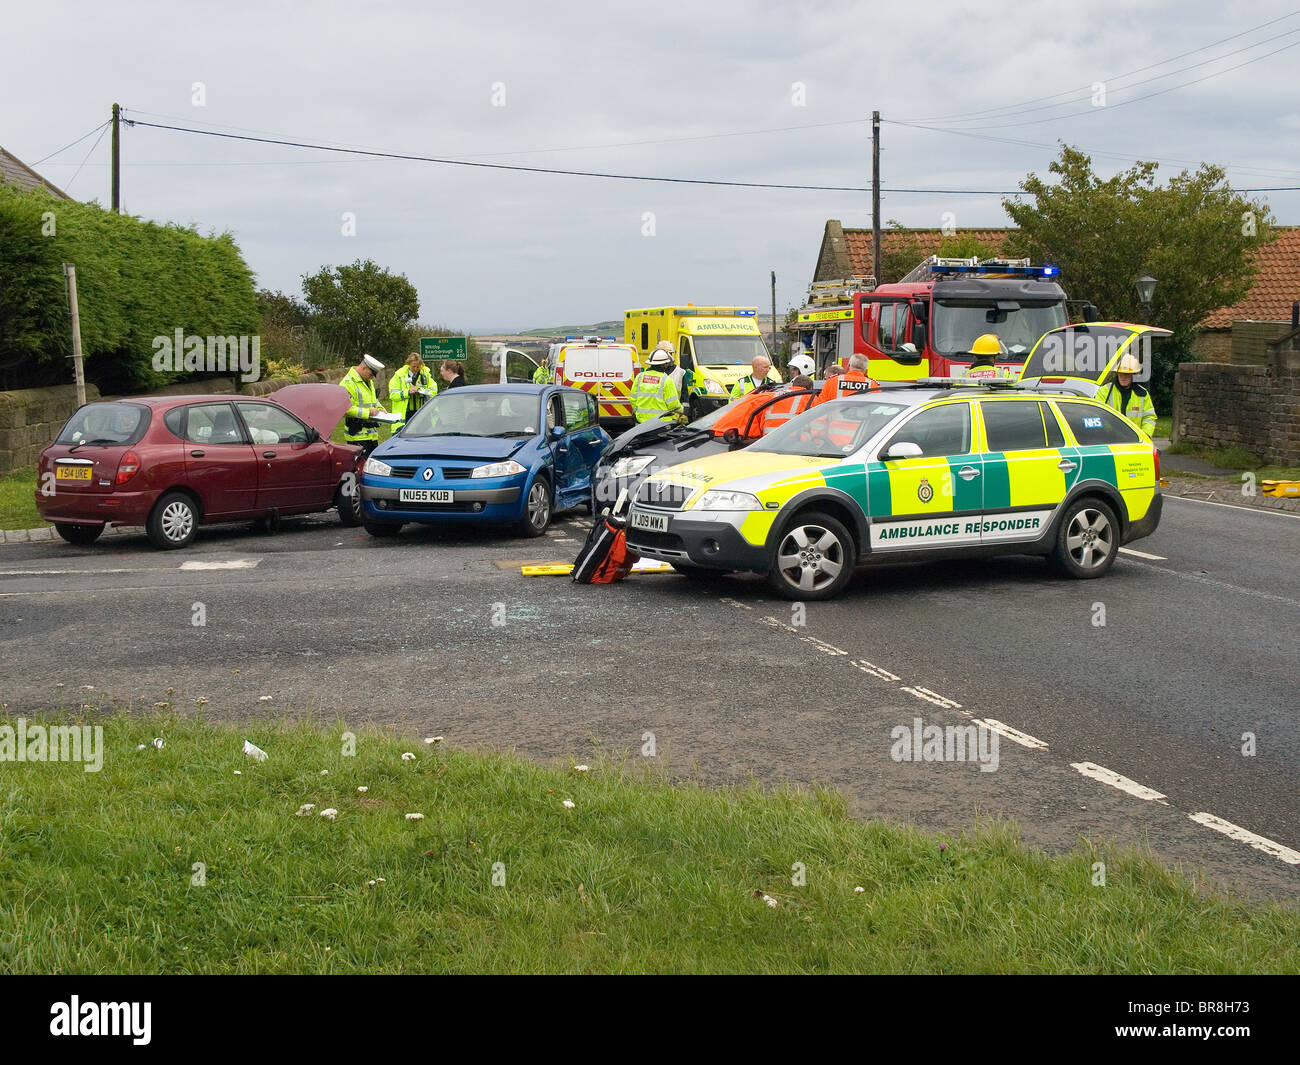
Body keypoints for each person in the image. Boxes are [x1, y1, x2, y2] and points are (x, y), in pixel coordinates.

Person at [1096, 353, 1156, 436]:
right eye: (1121, 374)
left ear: (1132, 375)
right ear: (1117, 374)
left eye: (1127, 375)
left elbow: (1149, 417)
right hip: (1109, 438)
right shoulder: (1104, 391)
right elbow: (1097, 415)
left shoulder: (1142, 394)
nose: (1123, 377)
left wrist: (1145, 435)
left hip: (1134, 439)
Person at [340, 354, 387, 455]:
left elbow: (373, 400)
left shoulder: (367, 381)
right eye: (371, 375)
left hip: (371, 435)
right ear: (364, 367)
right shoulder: (348, 383)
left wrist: (380, 408)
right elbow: (345, 409)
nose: (371, 378)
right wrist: (368, 412)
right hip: (357, 436)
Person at [630, 348, 683, 423]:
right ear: (664, 364)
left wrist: (638, 413)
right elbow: (673, 404)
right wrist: (682, 411)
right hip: (661, 424)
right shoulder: (666, 380)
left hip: (641, 423)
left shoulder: (640, 377)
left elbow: (633, 399)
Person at [389, 353, 436, 431]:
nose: (415, 369)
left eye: (418, 367)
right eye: (413, 366)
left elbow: (433, 390)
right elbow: (393, 395)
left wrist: (421, 391)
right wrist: (407, 392)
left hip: (421, 413)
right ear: (408, 364)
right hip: (405, 415)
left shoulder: (425, 374)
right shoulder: (399, 376)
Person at [813, 353, 877, 404]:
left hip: (835, 420)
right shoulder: (873, 385)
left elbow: (820, 405)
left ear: (848, 366)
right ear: (866, 371)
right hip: (862, 420)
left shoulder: (832, 381)